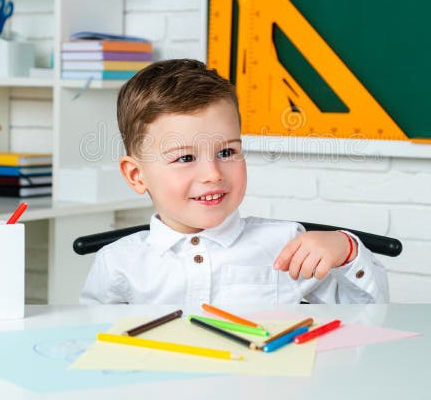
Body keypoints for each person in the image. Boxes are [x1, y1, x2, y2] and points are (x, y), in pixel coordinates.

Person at [81, 59, 388, 305]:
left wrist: (347, 251)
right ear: (137, 176)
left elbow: (371, 316)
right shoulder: (118, 262)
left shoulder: (285, 245)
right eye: (185, 158)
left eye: (226, 152)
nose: (213, 174)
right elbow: (89, 337)